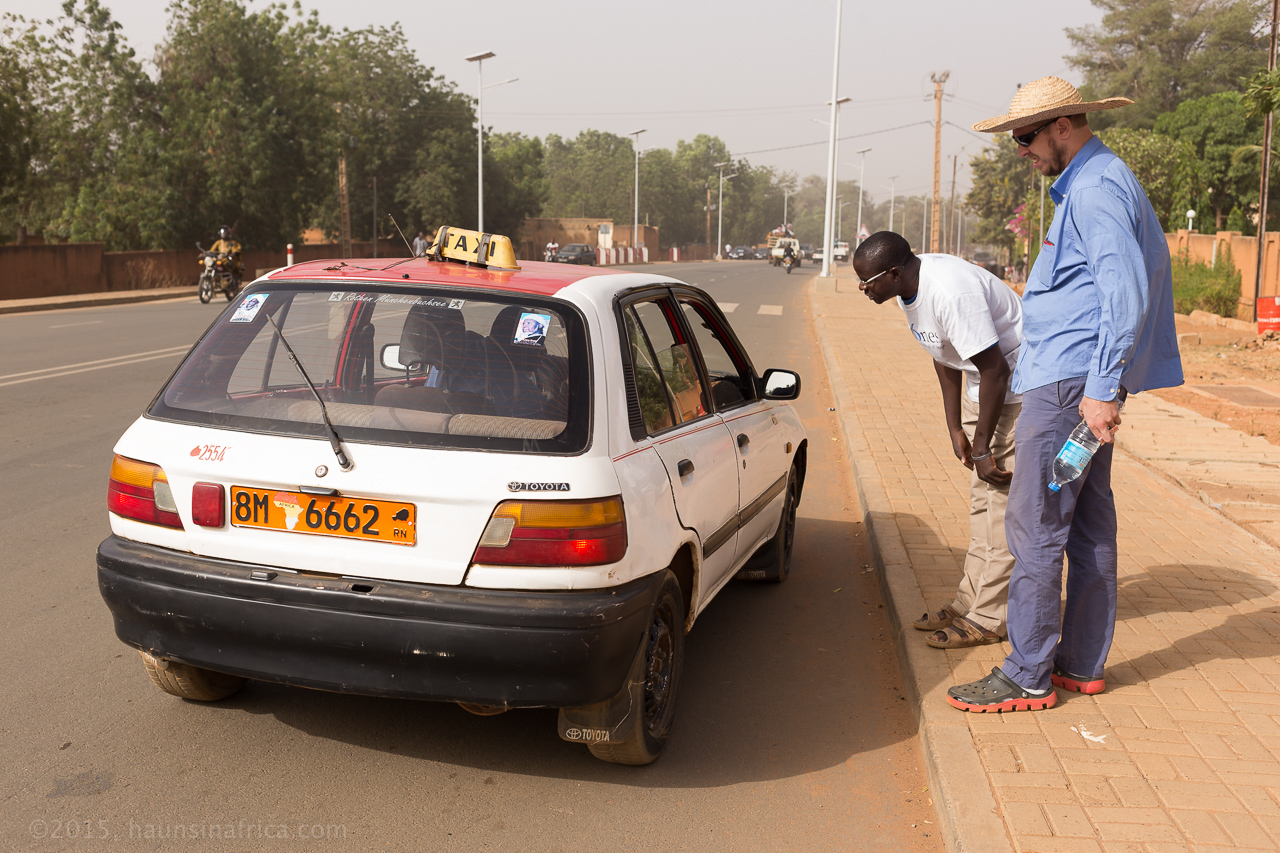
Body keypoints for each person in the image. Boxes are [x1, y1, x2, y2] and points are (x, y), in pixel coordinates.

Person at [946, 76, 1183, 713]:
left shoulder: (1096, 188)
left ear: (1061, 126)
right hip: (1082, 386)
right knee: (1088, 524)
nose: (1020, 149)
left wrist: (1104, 388)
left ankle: (1027, 673)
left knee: (1038, 528)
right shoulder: (1093, 180)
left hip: (1070, 390)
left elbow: (1127, 293)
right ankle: (1079, 664)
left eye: (1025, 136)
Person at [854, 231, 1023, 649]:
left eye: (867, 283)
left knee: (1001, 509)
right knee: (981, 502)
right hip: (981, 389)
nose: (863, 291)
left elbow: (996, 370)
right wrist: (954, 427)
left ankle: (989, 618)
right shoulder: (905, 288)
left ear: (893, 273)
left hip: (1017, 390)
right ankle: (969, 601)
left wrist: (983, 448)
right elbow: (944, 354)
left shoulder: (950, 293)